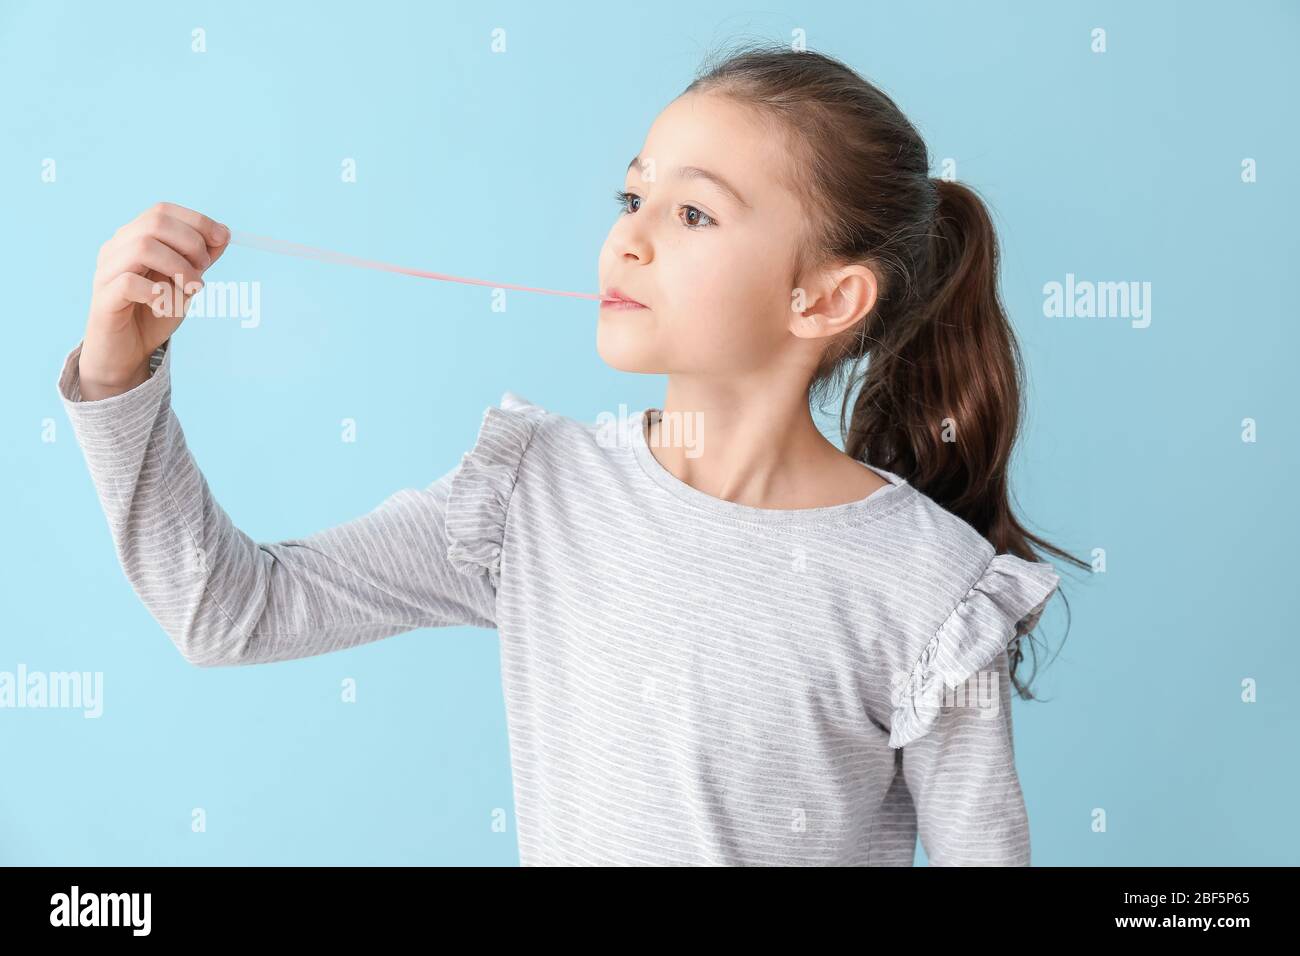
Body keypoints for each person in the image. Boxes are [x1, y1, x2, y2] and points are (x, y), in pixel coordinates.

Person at [57, 43, 1082, 866]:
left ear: (824, 297)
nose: (628, 239)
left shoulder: (929, 590)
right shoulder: (534, 495)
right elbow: (227, 612)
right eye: (629, 198)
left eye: (690, 212)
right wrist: (119, 380)